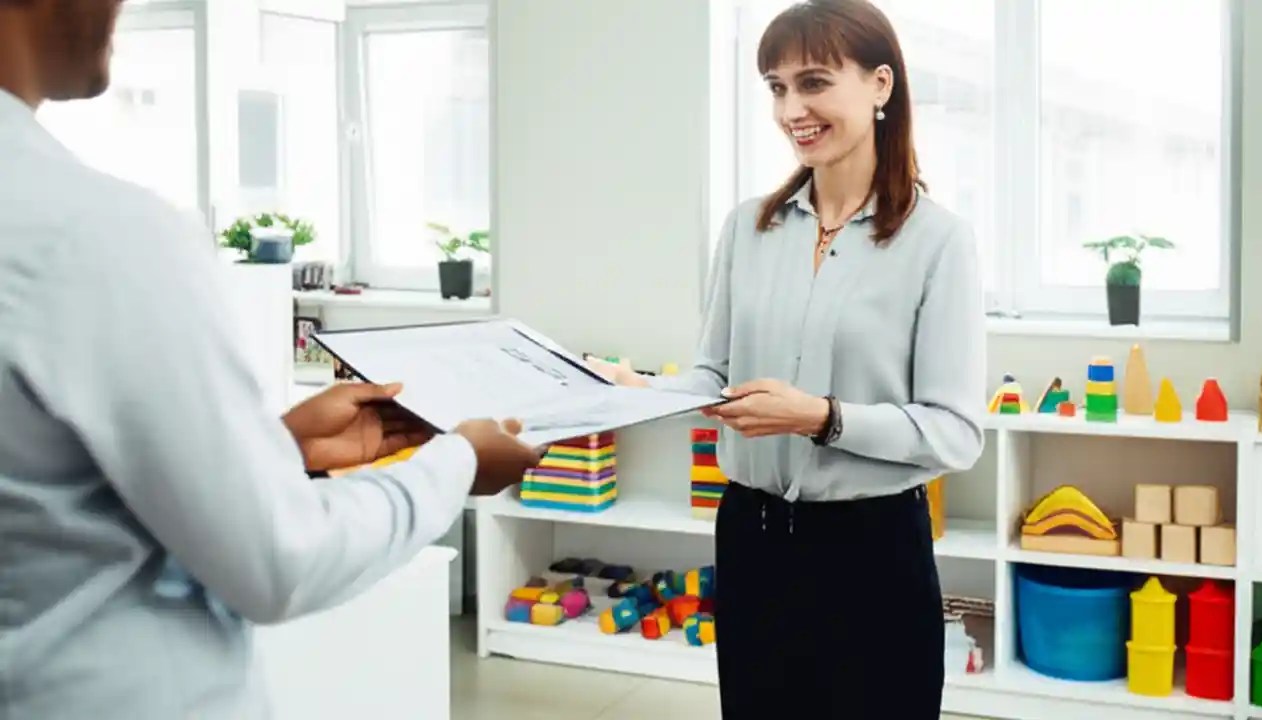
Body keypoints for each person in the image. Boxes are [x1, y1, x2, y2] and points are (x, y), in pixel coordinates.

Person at [0, 1, 543, 718]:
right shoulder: (97, 232)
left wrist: (274, 451)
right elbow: (281, 559)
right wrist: (457, 464)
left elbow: (40, 499)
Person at [591, 1, 985, 717]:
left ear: (880, 85)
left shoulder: (938, 242)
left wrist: (821, 418)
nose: (791, 108)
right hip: (753, 537)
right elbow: (712, 374)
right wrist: (638, 391)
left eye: (812, 82)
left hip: (874, 550)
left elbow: (954, 431)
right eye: (776, 87)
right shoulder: (749, 227)